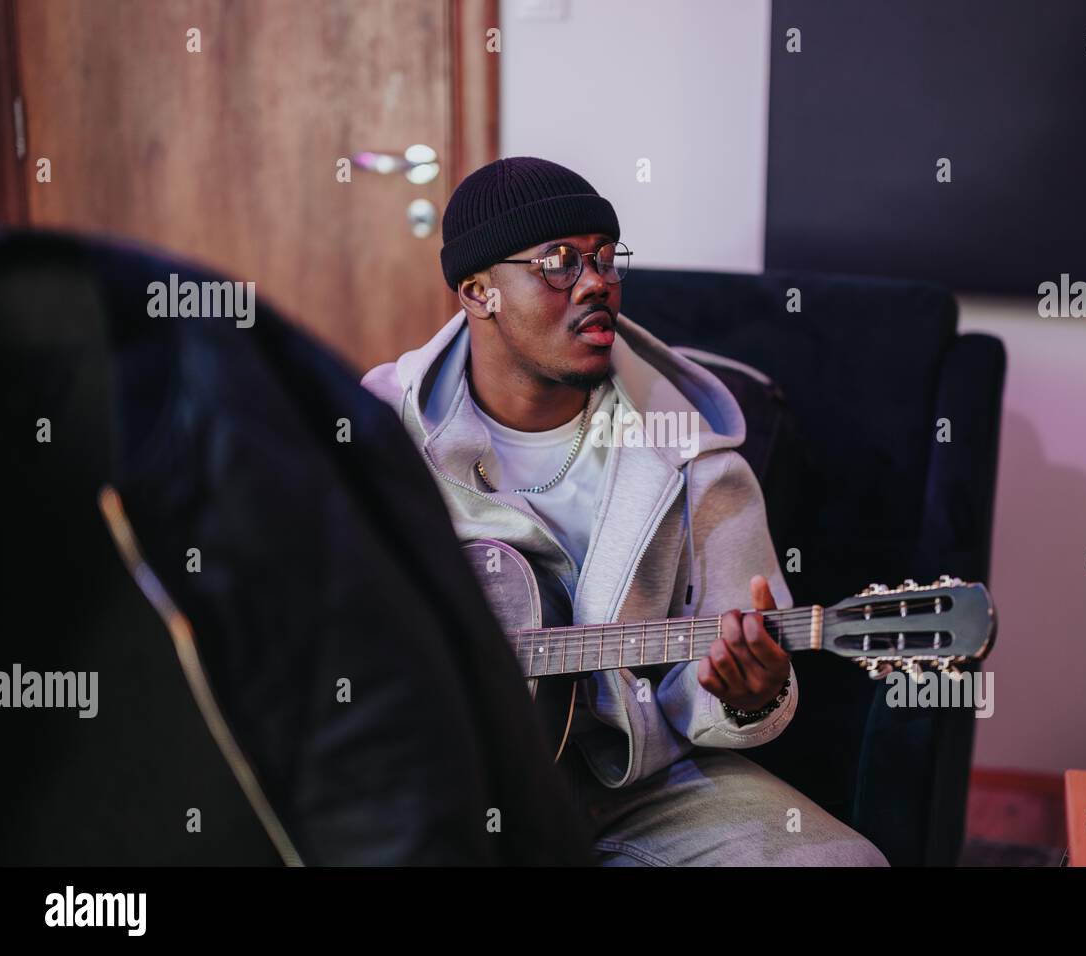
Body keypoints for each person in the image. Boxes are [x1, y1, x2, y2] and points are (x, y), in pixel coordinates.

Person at [363, 156, 887, 866]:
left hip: (640, 780)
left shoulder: (696, 459)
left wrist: (749, 696)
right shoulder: (377, 433)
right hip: (444, 776)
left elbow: (738, 674)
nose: (597, 283)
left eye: (606, 259)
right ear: (478, 291)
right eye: (559, 262)